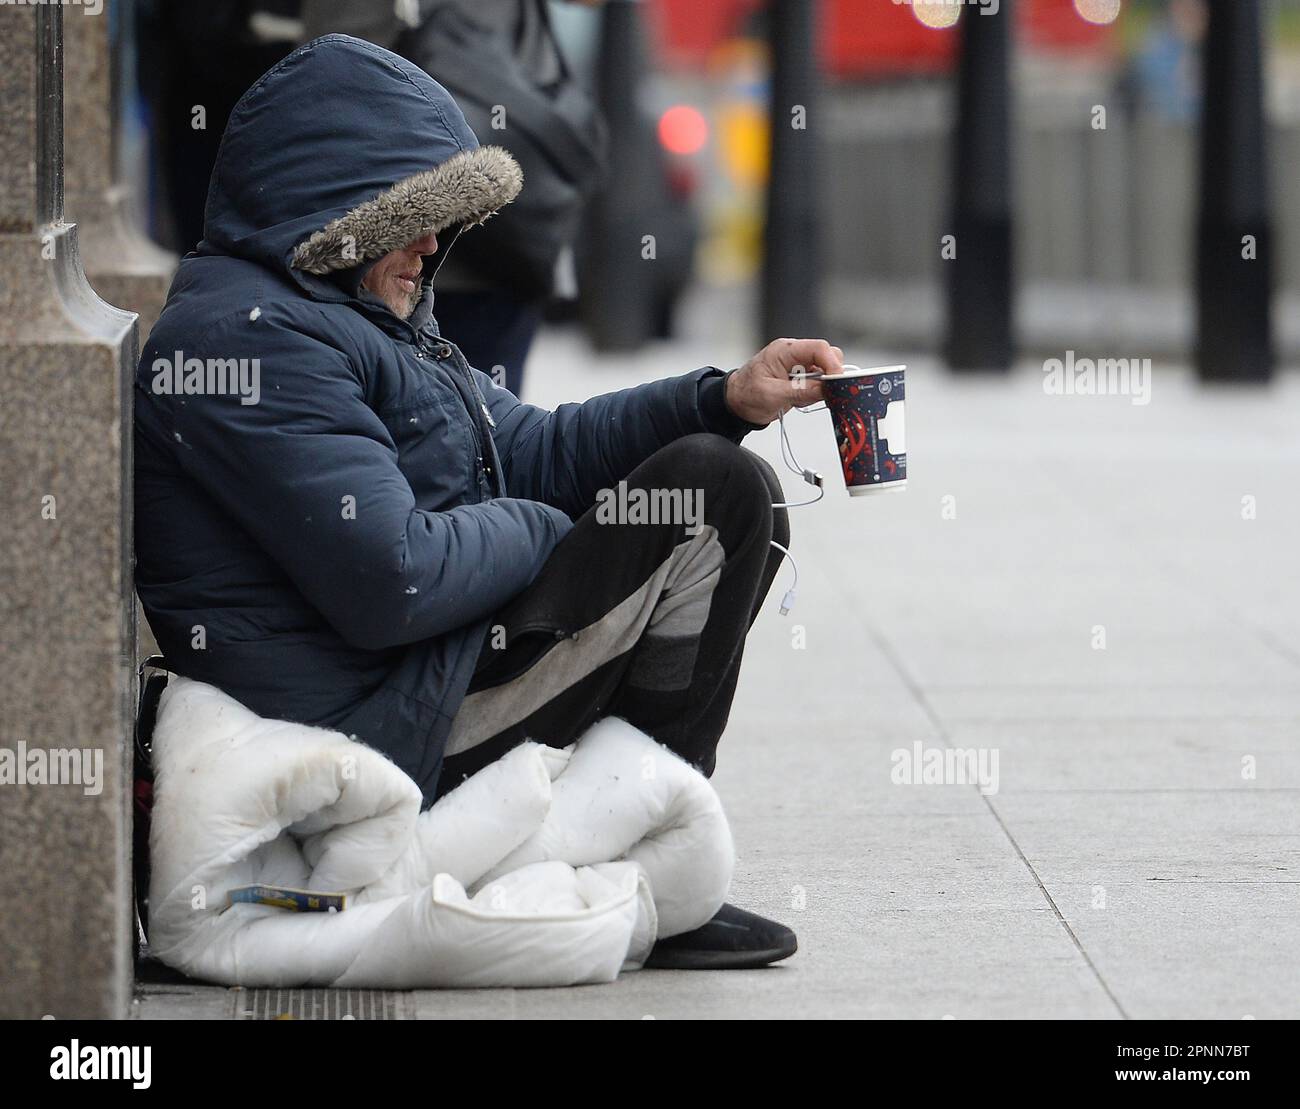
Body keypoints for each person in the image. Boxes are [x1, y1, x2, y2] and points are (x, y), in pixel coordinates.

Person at [134, 36, 842, 969]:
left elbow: (534, 445)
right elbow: (393, 577)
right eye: (412, 217)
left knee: (722, 483)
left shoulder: (356, 312)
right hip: (379, 717)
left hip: (418, 677)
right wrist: (553, 531)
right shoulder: (251, 342)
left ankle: (639, 839)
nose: (433, 246)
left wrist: (720, 396)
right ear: (338, 211)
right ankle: (642, 864)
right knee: (715, 499)